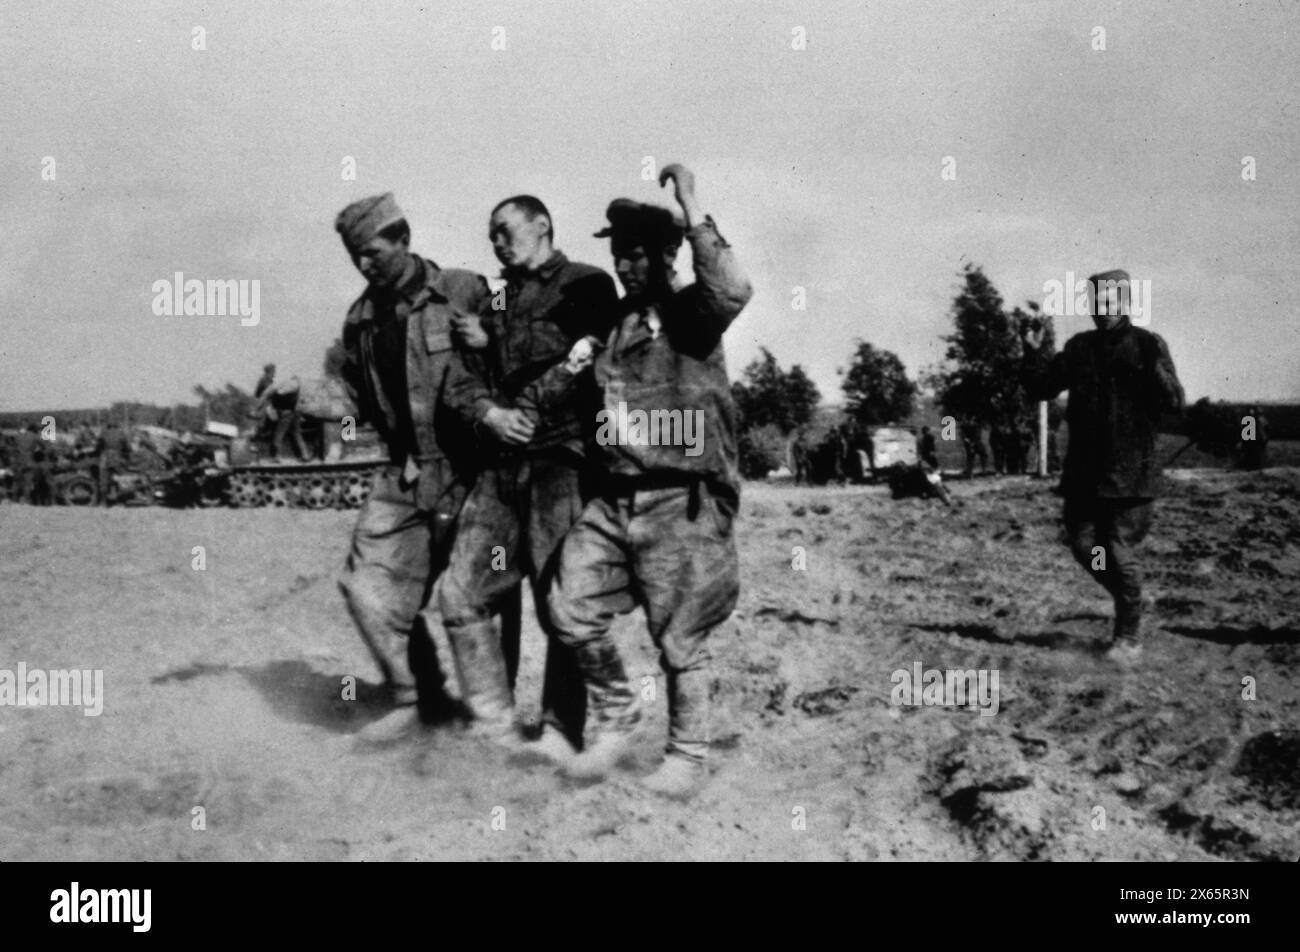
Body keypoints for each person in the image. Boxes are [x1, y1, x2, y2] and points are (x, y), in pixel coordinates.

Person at [546, 162, 753, 797]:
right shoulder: (613, 330)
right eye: (619, 255)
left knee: (681, 636)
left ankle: (687, 757)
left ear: (666, 255)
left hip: (679, 499)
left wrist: (693, 206)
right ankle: (617, 713)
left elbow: (733, 288)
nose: (626, 267)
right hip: (615, 501)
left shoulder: (692, 314)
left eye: (636, 255)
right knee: (569, 604)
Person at [439, 195, 619, 758]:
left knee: (559, 599)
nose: (495, 242)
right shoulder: (495, 298)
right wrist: (490, 414)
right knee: (462, 594)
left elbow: (583, 357)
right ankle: (492, 723)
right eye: (490, 234)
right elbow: (461, 381)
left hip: (559, 464)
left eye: (504, 230)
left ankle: (562, 729)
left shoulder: (588, 284)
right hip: (499, 467)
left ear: (542, 225)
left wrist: (523, 395)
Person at [334, 192, 493, 728]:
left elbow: (505, 360)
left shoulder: (463, 289)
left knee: (475, 596)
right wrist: (302, 394)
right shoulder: (359, 320)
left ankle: (492, 716)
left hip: (471, 468)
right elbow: (352, 399)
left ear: (403, 239)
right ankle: (414, 697)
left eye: (374, 251)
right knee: (364, 585)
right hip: (405, 470)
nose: (364, 264)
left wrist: (489, 339)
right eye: (356, 255)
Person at [1022, 269, 1184, 665]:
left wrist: (1154, 369)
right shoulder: (1079, 348)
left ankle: (1127, 637)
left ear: (1125, 303)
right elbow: (1042, 388)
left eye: (1112, 302)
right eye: (1097, 303)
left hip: (1131, 473)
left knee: (1117, 549)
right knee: (1083, 547)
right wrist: (1032, 352)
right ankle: (1131, 598)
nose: (1104, 310)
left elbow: (1175, 403)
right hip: (1085, 472)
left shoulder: (1147, 344)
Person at [96, 421, 132, 507]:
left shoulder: (103, 433)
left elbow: (97, 447)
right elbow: (128, 448)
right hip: (118, 458)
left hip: (105, 458)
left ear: (108, 426)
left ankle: (103, 502)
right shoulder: (122, 434)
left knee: (103, 480)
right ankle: (121, 501)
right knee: (121, 479)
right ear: (116, 426)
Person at [1240, 405, 1269, 470]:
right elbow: (1266, 427)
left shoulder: (1246, 418)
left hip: (1249, 439)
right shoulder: (1261, 419)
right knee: (1258, 455)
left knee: (1249, 454)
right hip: (1257, 439)